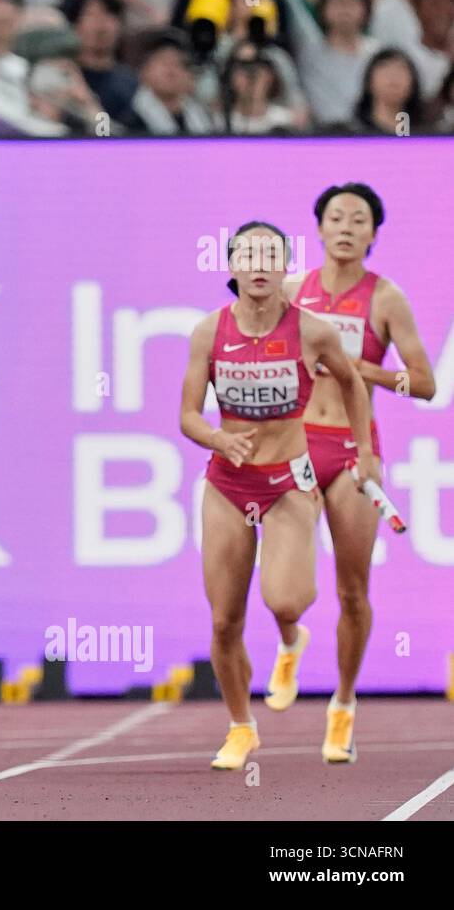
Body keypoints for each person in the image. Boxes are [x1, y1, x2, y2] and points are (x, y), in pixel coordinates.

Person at [179, 221, 378, 771]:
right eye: (249, 254)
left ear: (286, 266)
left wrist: (365, 451)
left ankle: (291, 640)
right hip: (227, 484)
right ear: (233, 267)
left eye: (272, 254)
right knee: (224, 621)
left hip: (288, 482)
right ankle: (241, 726)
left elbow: (351, 382)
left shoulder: (312, 331)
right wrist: (219, 438)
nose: (260, 264)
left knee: (287, 599)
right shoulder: (208, 332)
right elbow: (188, 415)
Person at [284, 183, 435, 763]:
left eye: (360, 219)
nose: (347, 227)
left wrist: (362, 369)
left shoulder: (385, 299)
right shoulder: (294, 291)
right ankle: (288, 638)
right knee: (285, 581)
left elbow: (423, 383)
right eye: (337, 217)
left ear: (374, 234)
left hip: (353, 448)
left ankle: (343, 703)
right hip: (296, 444)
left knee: (352, 589)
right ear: (319, 228)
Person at [291, 0, 381, 127]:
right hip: (326, 137)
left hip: (372, 136)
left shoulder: (378, 54)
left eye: (352, 0)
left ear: (366, 8)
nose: (344, 7)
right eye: (336, 0)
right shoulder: (307, 55)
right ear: (322, 8)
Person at [353, 47, 426, 131]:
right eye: (385, 69)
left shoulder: (428, 136)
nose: (393, 76)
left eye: (401, 69)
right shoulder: (349, 134)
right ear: (369, 81)